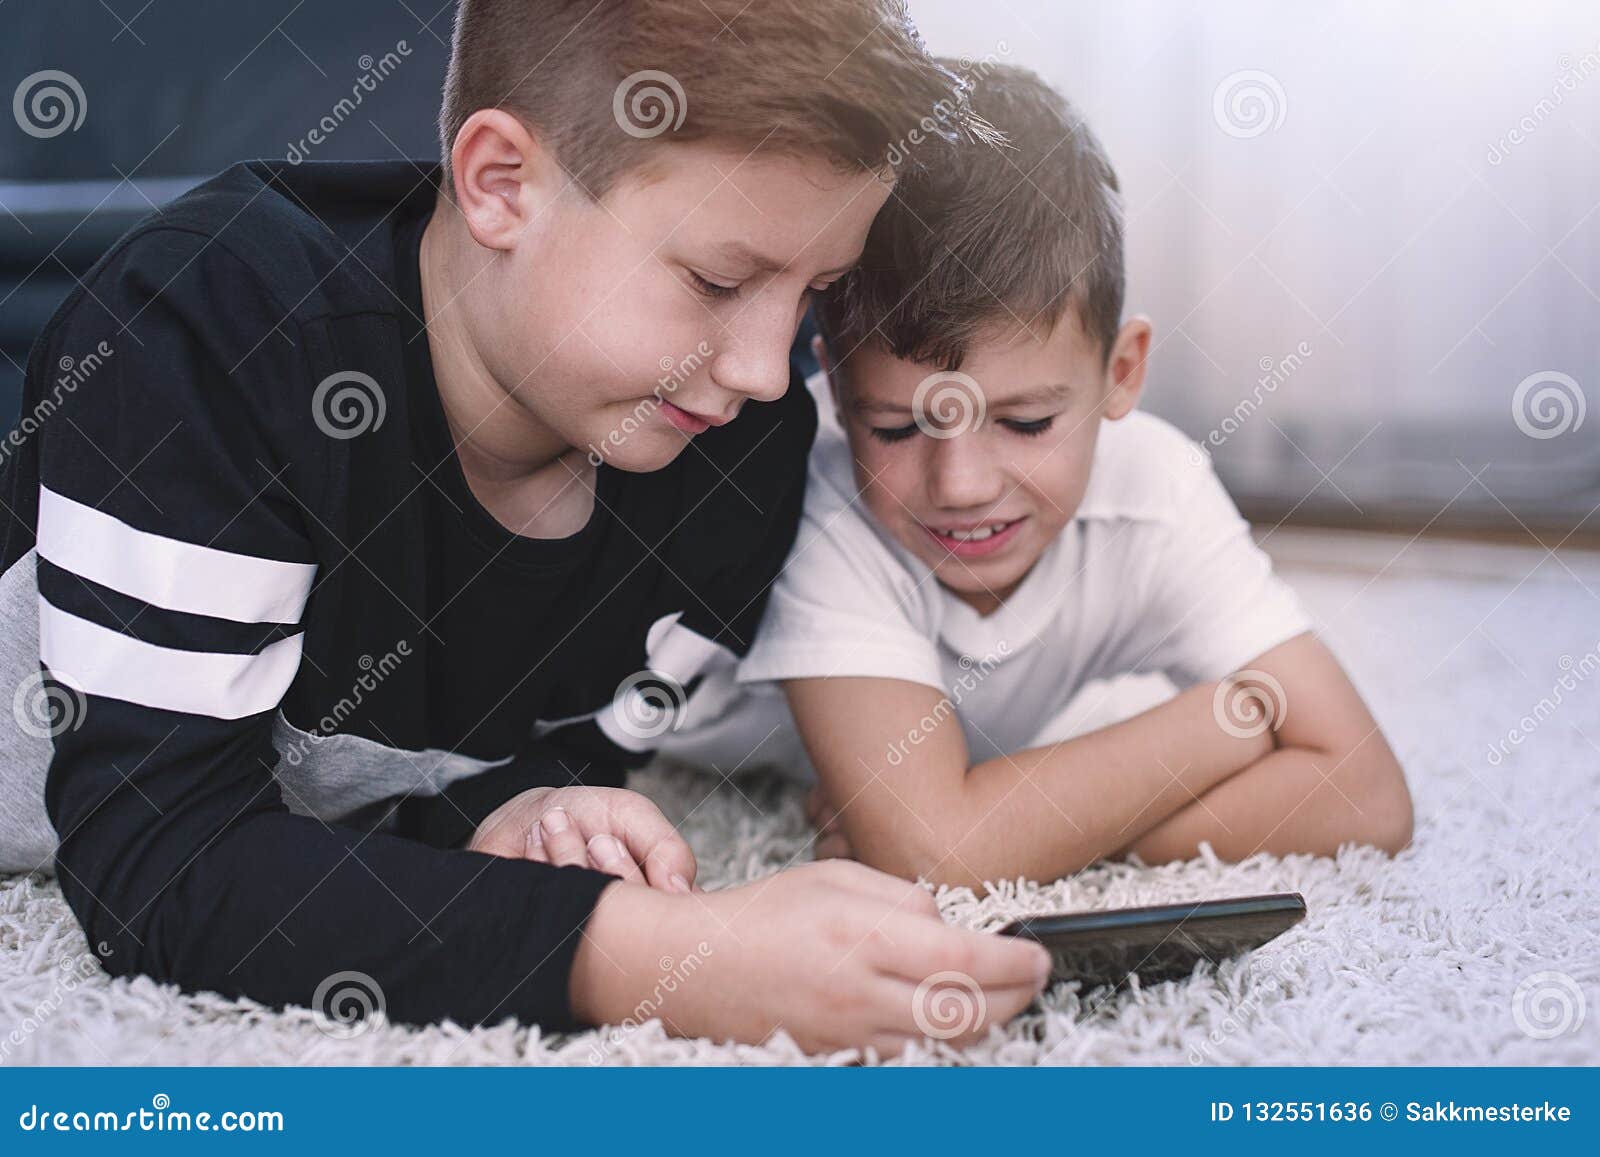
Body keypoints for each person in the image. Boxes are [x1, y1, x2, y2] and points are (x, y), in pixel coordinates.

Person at [0, 1, 1050, 1056]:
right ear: (503, 182)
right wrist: (660, 958)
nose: (766, 369)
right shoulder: (214, 325)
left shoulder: (737, 451)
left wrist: (528, 813)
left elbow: (499, 770)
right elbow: (158, 862)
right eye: (718, 282)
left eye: (814, 292)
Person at [662, 64, 1415, 888]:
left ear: (1122, 371)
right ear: (831, 386)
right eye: (897, 426)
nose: (962, 485)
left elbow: (1368, 798)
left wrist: (1026, 828)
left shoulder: (1158, 494)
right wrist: (1231, 717)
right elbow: (939, 853)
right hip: (634, 711)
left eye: (1025, 422)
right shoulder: (822, 500)